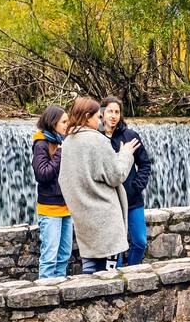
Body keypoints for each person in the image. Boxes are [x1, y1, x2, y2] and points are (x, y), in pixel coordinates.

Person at [58, 96, 138, 273]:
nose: (100, 120)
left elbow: (64, 179)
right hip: (105, 220)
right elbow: (116, 176)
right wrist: (125, 154)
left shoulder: (68, 142)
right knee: (108, 275)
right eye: (97, 116)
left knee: (89, 269)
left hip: (83, 218)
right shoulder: (98, 141)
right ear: (87, 117)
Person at [100, 96, 152, 266]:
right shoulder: (96, 138)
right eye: (110, 111)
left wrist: (136, 187)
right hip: (110, 203)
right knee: (115, 249)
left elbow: (144, 163)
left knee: (140, 242)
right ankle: (118, 279)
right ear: (102, 113)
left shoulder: (129, 136)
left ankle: (132, 272)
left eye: (117, 112)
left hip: (132, 200)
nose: (113, 116)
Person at [32, 105, 73, 278]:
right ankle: (45, 297)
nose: (67, 125)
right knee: (49, 257)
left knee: (64, 256)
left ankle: (59, 292)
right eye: (64, 122)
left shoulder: (60, 141)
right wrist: (60, 153)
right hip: (50, 210)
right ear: (53, 122)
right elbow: (42, 175)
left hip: (67, 208)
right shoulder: (41, 143)